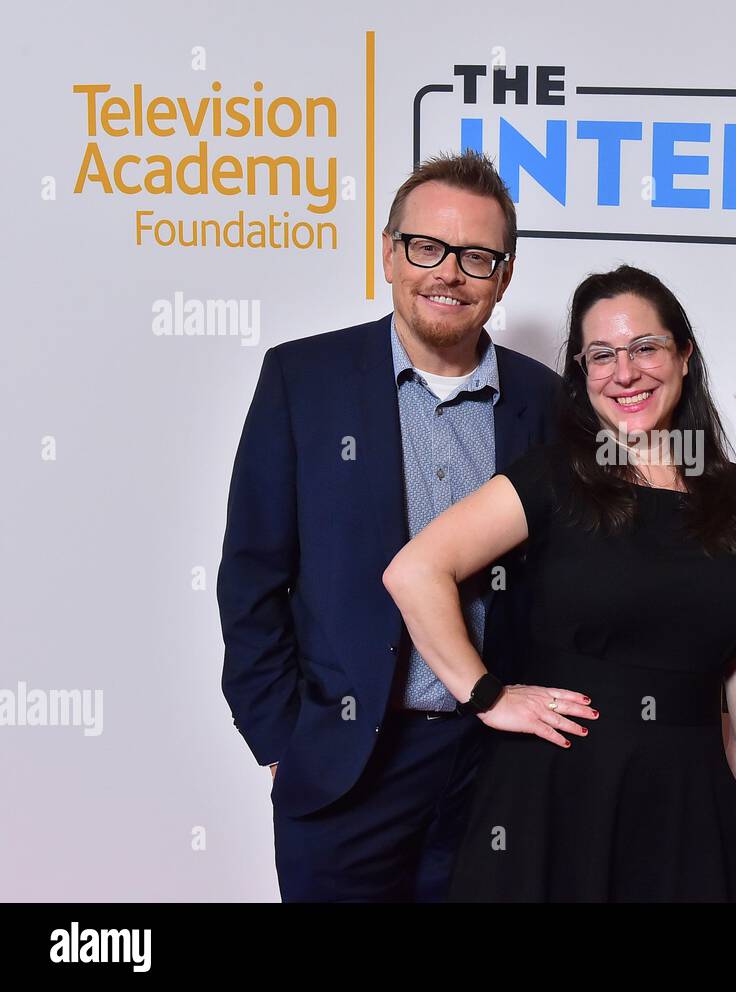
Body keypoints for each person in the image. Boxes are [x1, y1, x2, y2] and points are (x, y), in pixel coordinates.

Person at [217, 149, 569, 901]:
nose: (448, 272)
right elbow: (251, 575)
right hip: (346, 766)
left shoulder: (548, 403)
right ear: (388, 252)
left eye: (476, 256)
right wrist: (286, 740)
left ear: (504, 276)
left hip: (494, 769)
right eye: (427, 247)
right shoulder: (302, 381)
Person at [384, 265, 736, 902]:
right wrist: (486, 695)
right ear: (582, 372)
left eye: (645, 348)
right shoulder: (554, 477)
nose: (625, 373)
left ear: (683, 355)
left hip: (691, 798)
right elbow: (416, 569)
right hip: (557, 794)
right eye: (602, 356)